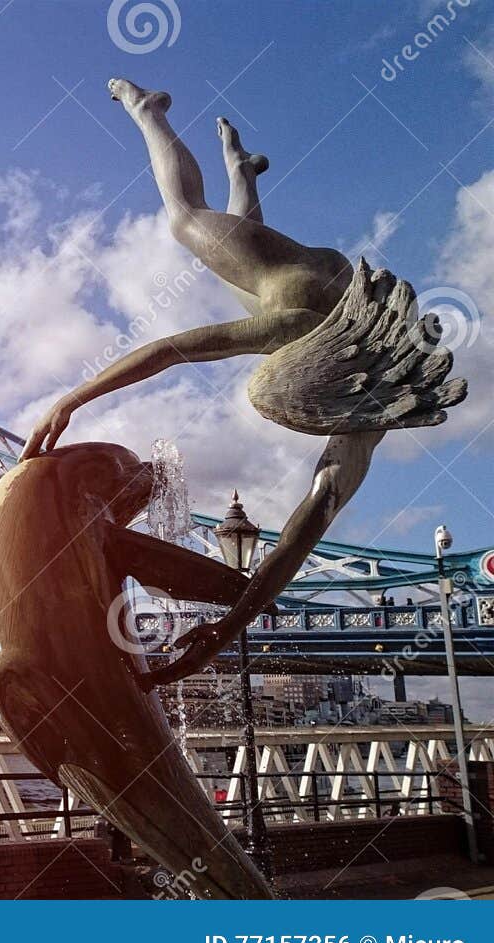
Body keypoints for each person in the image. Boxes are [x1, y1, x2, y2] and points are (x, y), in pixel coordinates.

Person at [24, 80, 466, 688]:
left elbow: (301, 529)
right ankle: (148, 111)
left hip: (339, 294)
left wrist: (231, 624)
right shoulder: (293, 319)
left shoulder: (366, 417)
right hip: (307, 277)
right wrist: (71, 400)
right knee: (186, 221)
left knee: (235, 260)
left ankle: (243, 172)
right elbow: (167, 351)